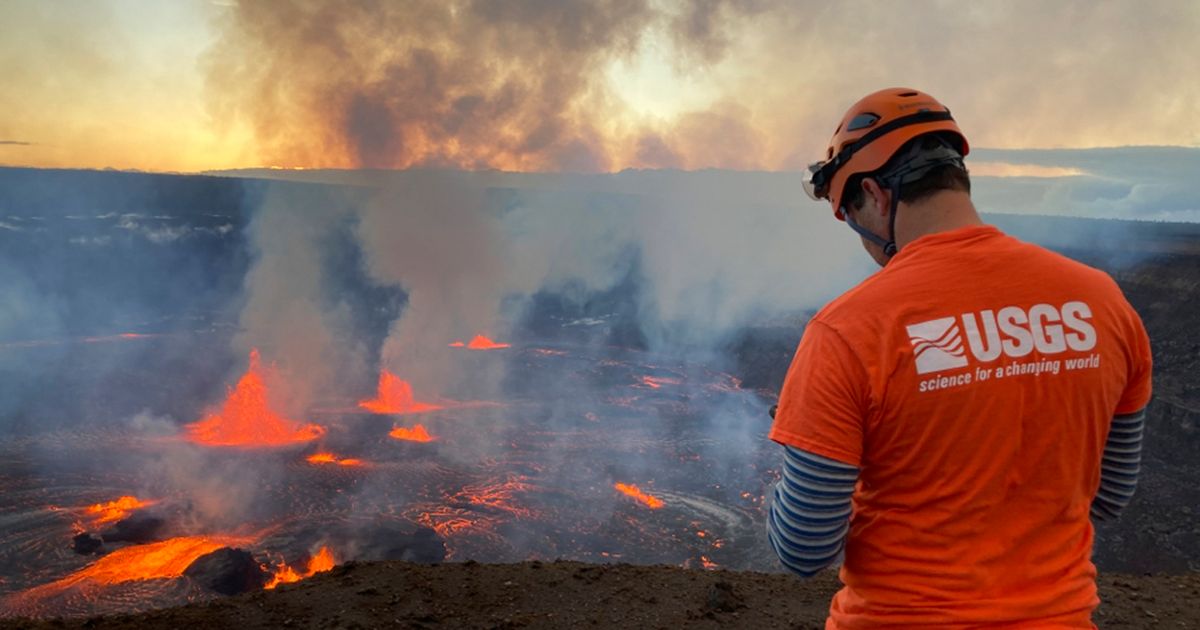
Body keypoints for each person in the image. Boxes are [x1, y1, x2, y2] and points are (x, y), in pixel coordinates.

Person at [766, 87, 1153, 628]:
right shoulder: (1103, 302)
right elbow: (1109, 495)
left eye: (849, 212)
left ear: (875, 195)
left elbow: (803, 549)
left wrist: (805, 459)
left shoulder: (848, 330)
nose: (860, 238)